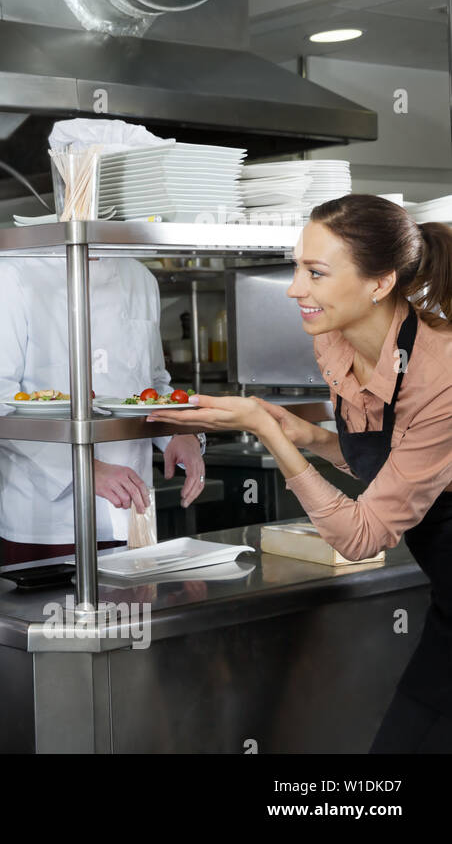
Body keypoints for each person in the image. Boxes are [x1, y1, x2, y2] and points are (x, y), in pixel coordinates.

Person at [161, 194, 452, 752]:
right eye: (297, 268)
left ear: (380, 283)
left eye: (315, 272)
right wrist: (310, 438)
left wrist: (267, 432)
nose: (295, 289)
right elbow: (390, 464)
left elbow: (364, 535)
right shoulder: (333, 341)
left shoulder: (438, 372)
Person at [0, 120, 205, 564]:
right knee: (63, 631)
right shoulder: (12, 275)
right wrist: (83, 469)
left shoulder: (140, 277)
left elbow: (152, 380)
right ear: (72, 189)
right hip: (48, 520)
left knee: (133, 626)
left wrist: (180, 432)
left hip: (134, 514)